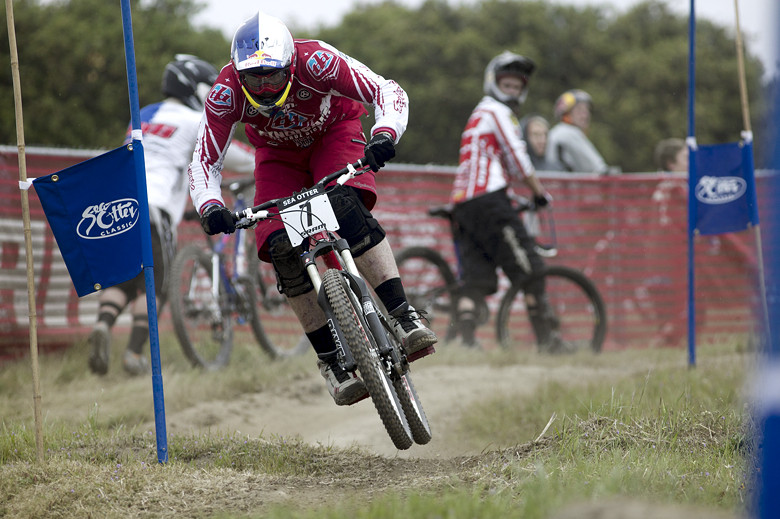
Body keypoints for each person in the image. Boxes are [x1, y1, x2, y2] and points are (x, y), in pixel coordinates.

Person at [187, 11, 437, 406]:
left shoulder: (317, 60)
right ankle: (331, 361)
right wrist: (211, 206)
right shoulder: (225, 92)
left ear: (289, 65)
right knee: (277, 244)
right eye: (254, 76)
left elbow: (387, 91)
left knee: (345, 204)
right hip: (277, 156)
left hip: (333, 135)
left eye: (272, 74)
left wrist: (386, 133)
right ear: (239, 73)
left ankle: (404, 315)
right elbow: (204, 162)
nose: (264, 86)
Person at [87, 55, 254, 376]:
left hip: (117, 206)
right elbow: (237, 158)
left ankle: (103, 324)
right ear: (195, 88)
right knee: (153, 287)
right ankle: (134, 354)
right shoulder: (195, 120)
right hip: (156, 205)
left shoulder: (143, 115)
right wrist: (268, 160)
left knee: (125, 277)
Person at [449, 50, 568, 353]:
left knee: (478, 279)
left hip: (463, 203)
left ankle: (465, 343)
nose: (513, 91)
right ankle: (547, 342)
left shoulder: (479, 112)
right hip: (488, 201)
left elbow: (495, 164)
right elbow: (518, 158)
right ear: (494, 83)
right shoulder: (498, 112)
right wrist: (539, 192)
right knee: (530, 268)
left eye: (517, 86)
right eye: (508, 85)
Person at [545, 89, 609, 174]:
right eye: (579, 110)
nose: (585, 115)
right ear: (566, 113)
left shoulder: (557, 131)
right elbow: (597, 167)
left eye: (587, 110)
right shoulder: (569, 132)